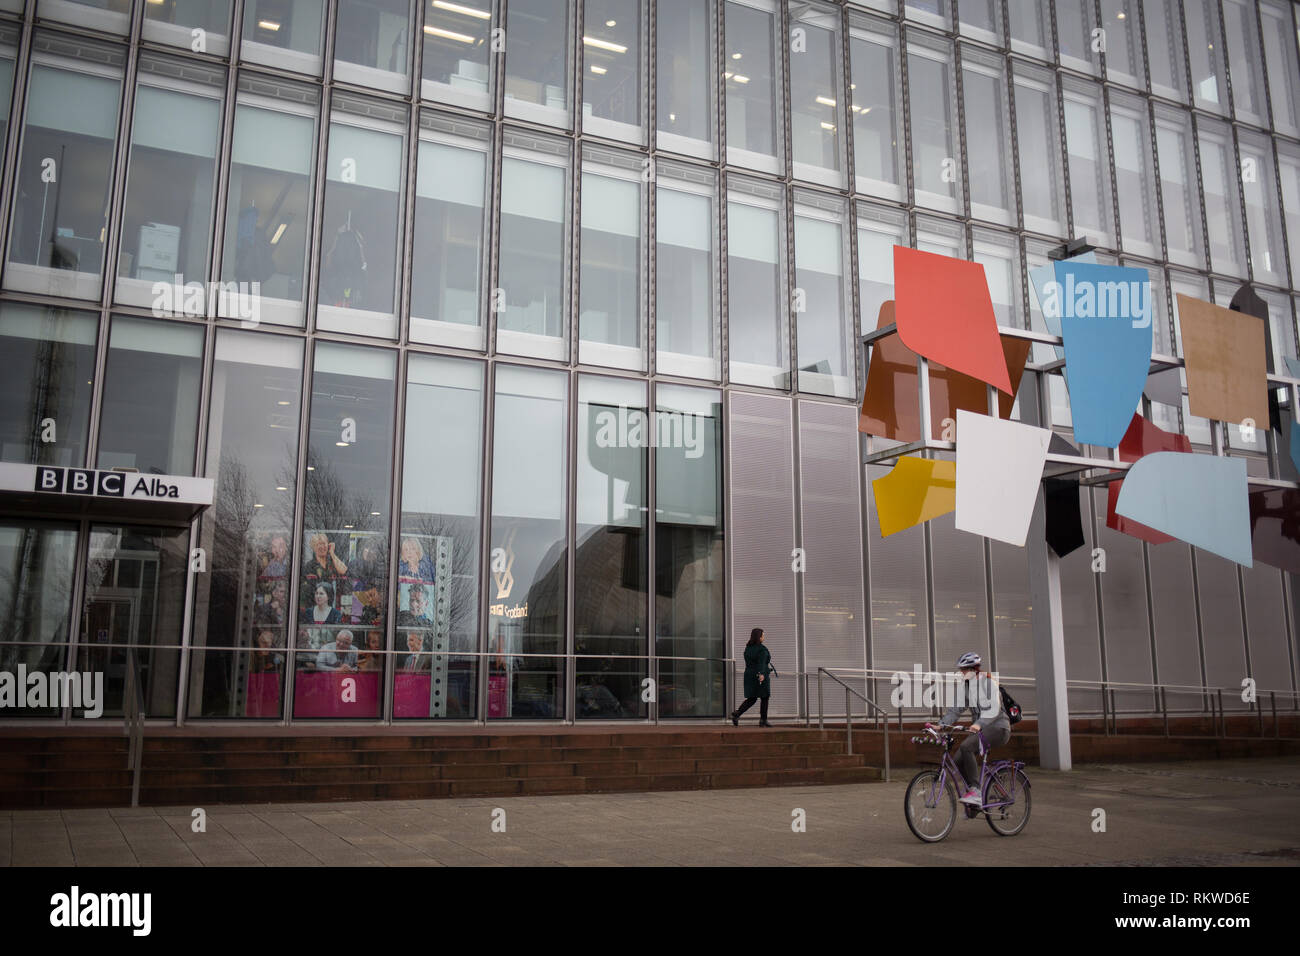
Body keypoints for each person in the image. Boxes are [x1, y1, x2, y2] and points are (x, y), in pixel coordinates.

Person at [927, 651, 1010, 806]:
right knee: (957, 761)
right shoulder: (966, 687)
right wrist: (940, 725)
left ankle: (976, 792)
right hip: (982, 730)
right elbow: (955, 710)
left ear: (974, 669)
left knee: (966, 747)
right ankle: (973, 796)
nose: (961, 673)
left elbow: (994, 709)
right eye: (961, 670)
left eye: (964, 670)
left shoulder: (989, 683)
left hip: (999, 728)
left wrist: (978, 724)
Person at [730, 627, 774, 727]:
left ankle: (737, 714)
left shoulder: (748, 648)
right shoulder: (762, 649)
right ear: (759, 637)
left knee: (752, 698)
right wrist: (761, 673)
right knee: (765, 697)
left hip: (749, 675)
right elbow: (761, 663)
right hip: (760, 675)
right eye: (763, 635)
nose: (764, 637)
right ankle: (763, 720)